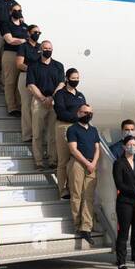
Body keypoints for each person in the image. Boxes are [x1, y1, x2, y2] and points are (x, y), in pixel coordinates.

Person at [25, 39, 64, 171]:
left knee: (52, 134)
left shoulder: (58, 66)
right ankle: (39, 161)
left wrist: (52, 98)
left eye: (50, 48)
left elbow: (61, 84)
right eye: (45, 48)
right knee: (37, 133)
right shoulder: (33, 65)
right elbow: (31, 85)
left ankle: (53, 160)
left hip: (54, 101)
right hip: (38, 101)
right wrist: (42, 98)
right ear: (41, 50)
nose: (48, 50)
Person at [65, 103, 101, 241]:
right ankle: (77, 225)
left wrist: (93, 163)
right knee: (77, 195)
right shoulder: (72, 129)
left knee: (89, 196)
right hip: (78, 164)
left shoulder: (94, 130)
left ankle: (86, 227)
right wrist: (87, 163)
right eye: (85, 112)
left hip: (91, 164)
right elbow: (73, 149)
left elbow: (97, 148)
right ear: (79, 113)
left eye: (90, 113)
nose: (88, 115)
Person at [112, 136, 135, 269]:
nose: (132, 147)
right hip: (125, 203)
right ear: (124, 147)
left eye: (134, 145)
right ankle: (121, 261)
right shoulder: (119, 163)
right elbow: (119, 184)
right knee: (124, 233)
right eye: (129, 144)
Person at [53, 69, 87, 198]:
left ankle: (74, 187)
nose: (75, 80)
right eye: (73, 78)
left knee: (77, 159)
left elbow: (85, 110)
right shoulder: (60, 94)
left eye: (77, 78)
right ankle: (62, 189)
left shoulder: (80, 95)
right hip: (64, 126)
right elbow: (61, 112)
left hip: (78, 128)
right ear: (67, 79)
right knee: (63, 159)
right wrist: (77, 117)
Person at [0, 0, 27, 116]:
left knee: (19, 82)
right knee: (10, 82)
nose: (18, 12)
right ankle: (12, 107)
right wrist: (23, 40)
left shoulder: (24, 26)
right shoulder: (6, 24)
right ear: (10, 12)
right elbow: (9, 40)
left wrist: (21, 40)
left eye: (20, 10)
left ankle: (19, 105)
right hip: (10, 54)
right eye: (15, 10)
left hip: (22, 55)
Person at [14, 24, 42, 144]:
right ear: (29, 33)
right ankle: (27, 134)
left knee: (37, 107)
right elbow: (19, 64)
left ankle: (38, 134)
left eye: (39, 33)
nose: (37, 34)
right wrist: (31, 70)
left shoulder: (41, 47)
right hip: (25, 76)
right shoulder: (23, 46)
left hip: (39, 78)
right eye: (35, 32)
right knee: (26, 106)